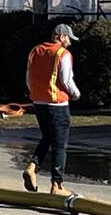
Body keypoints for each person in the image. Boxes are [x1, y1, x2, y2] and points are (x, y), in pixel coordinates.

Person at [23, 23, 80, 195]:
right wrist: (76, 94)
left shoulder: (35, 51)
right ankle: (57, 185)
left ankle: (32, 167)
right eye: (68, 38)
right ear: (61, 36)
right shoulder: (62, 54)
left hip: (39, 103)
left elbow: (28, 78)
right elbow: (66, 80)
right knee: (60, 144)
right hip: (57, 104)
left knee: (47, 137)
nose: (69, 42)